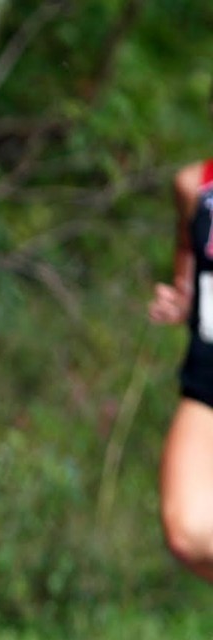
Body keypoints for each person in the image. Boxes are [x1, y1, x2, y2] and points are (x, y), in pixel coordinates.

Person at [149, 87, 213, 583]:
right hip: (207, 372)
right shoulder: (194, 185)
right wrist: (181, 297)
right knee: (187, 531)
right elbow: (188, 255)